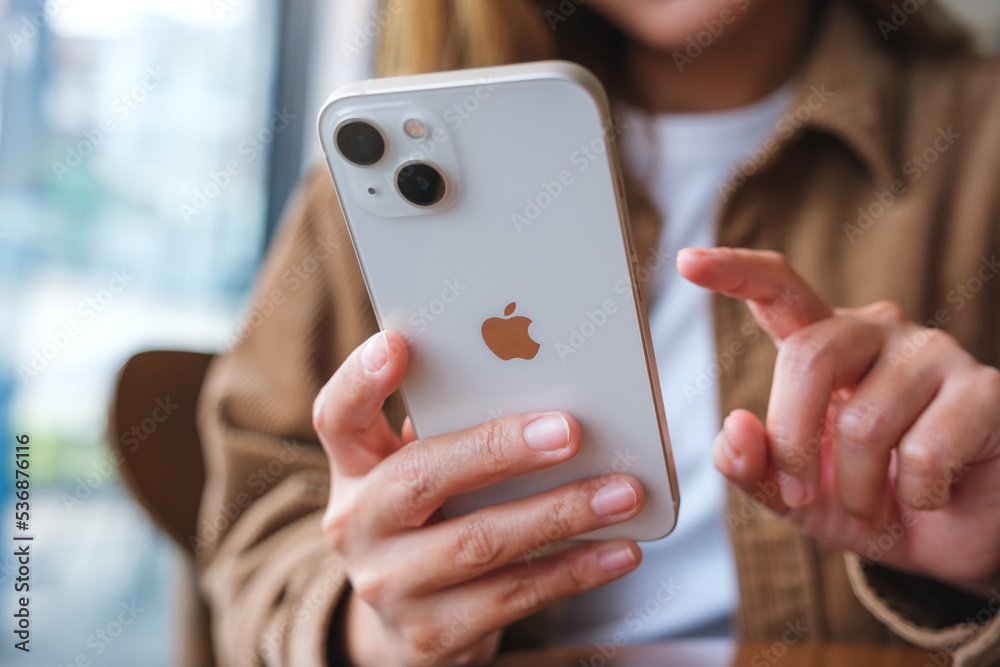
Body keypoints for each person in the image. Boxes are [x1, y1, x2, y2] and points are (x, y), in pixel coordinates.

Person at [194, 0, 1000, 665]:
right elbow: (251, 539)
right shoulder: (367, 197)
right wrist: (373, 628)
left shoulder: (980, 144)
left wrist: (988, 562)